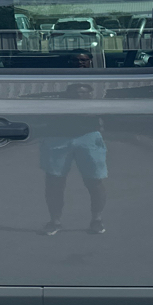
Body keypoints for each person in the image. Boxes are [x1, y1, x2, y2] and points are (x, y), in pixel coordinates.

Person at [39, 64, 107, 235]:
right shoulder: (53, 81)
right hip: (57, 137)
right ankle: (55, 221)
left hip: (89, 137)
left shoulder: (98, 80)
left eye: (84, 91)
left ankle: (97, 220)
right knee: (54, 182)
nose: (79, 93)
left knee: (95, 181)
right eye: (76, 91)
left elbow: (107, 114)